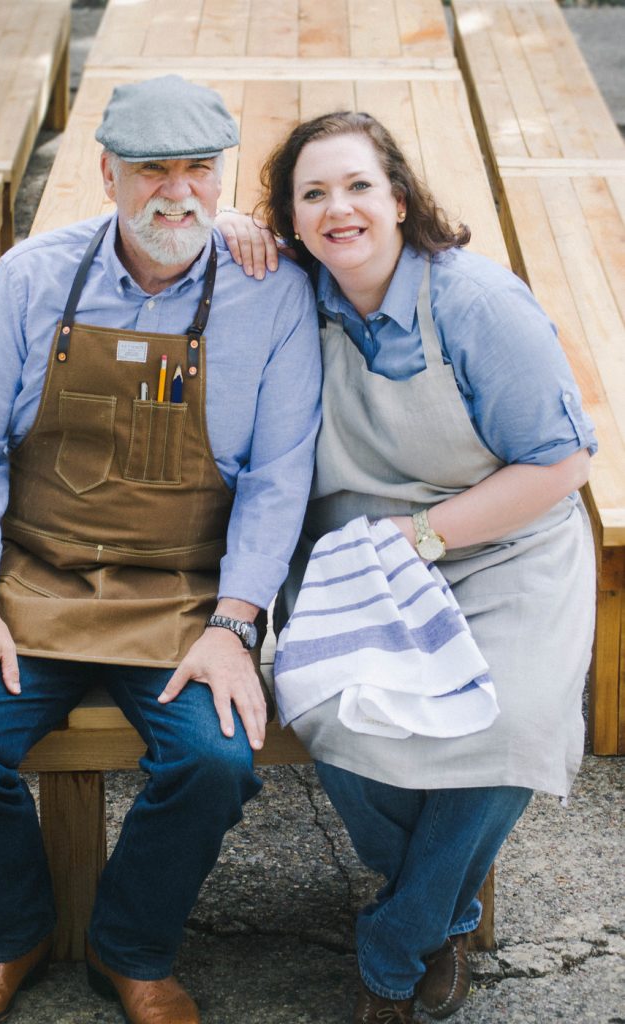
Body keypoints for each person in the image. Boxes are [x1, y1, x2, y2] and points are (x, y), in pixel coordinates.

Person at [0, 76, 321, 1024]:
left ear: (222, 180)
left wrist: (235, 622)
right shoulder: (31, 277)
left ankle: (128, 948)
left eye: (197, 170)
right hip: (34, 578)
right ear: (105, 173)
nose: (175, 192)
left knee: (216, 760)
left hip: (185, 591)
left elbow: (276, 478)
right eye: (149, 170)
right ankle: (8, 937)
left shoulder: (272, 290)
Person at [217, 111, 596, 1023]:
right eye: (312, 194)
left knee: (510, 723)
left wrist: (423, 536)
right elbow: (158, 231)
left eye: (357, 186)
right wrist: (223, 228)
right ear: (289, 220)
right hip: (354, 560)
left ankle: (397, 941)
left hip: (502, 545)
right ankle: (446, 911)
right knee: (338, 715)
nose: (338, 208)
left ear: (398, 196)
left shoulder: (475, 303)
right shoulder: (286, 293)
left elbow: (560, 463)